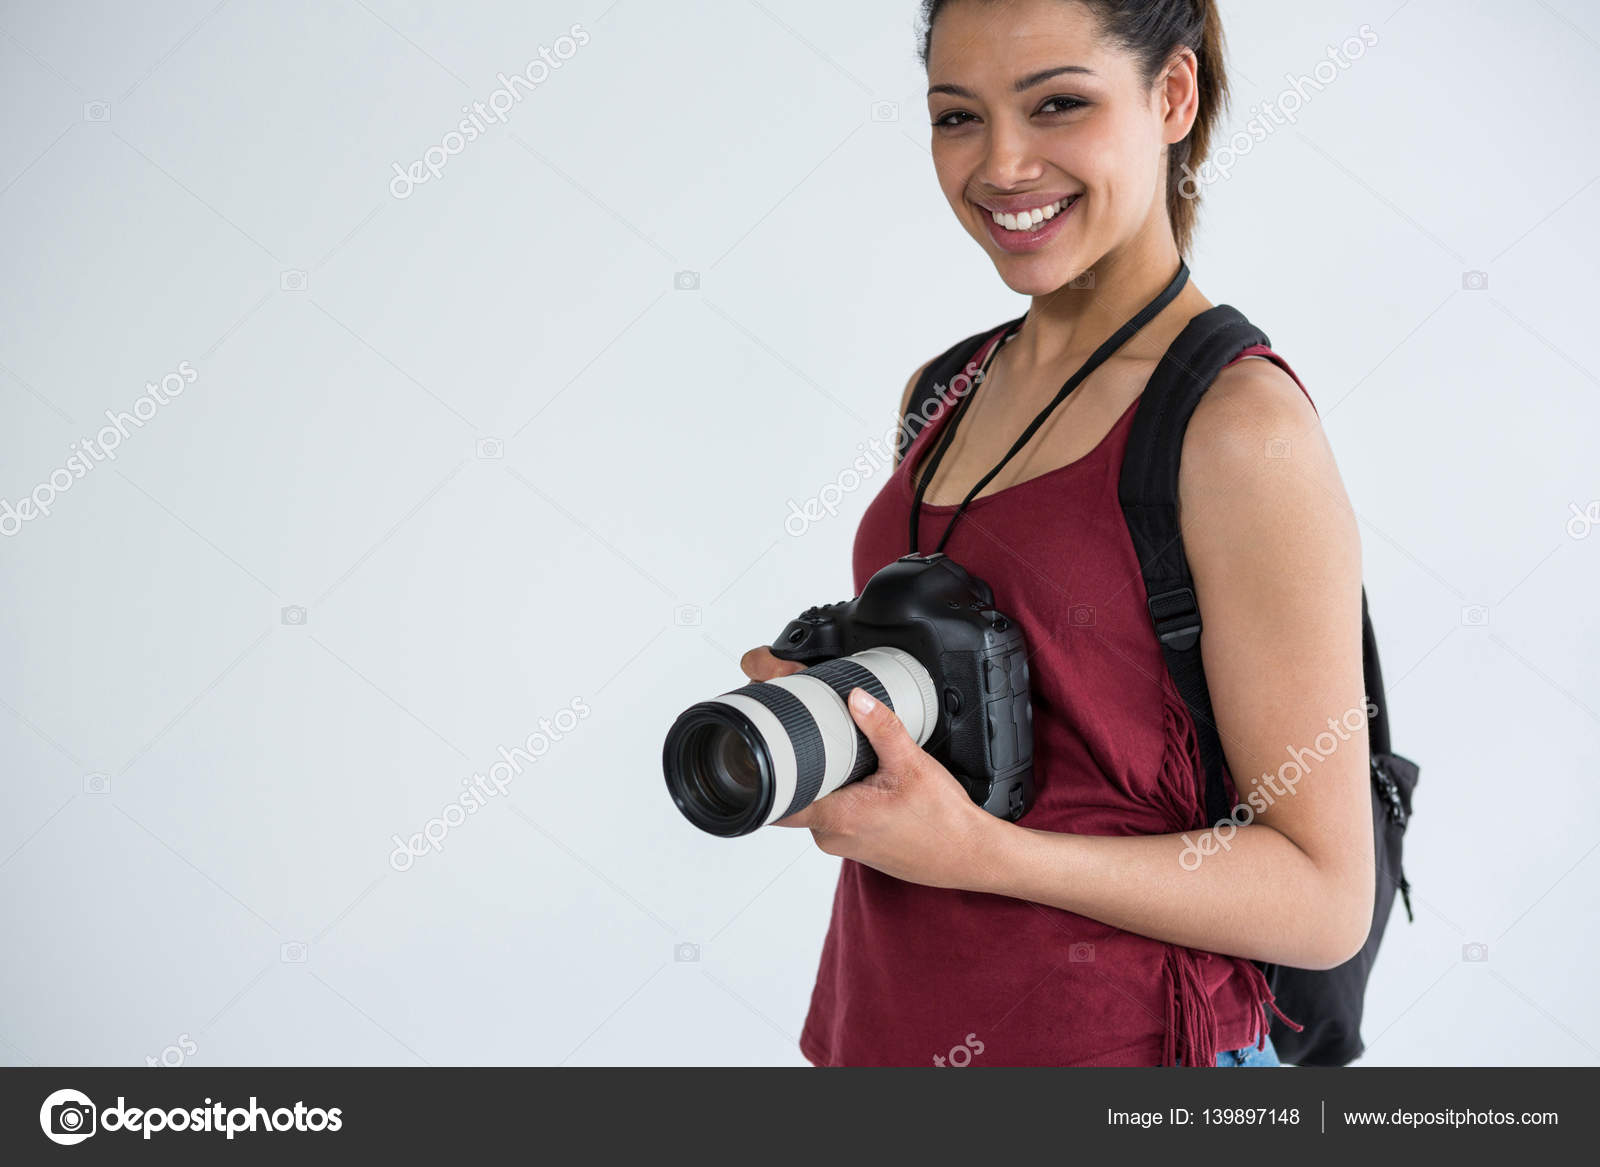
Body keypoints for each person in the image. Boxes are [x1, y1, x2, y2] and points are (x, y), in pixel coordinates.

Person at [740, 0, 1372, 1067]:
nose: (1001, 165)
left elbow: (1323, 898)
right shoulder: (945, 387)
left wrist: (984, 855)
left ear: (1172, 96)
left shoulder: (1236, 428)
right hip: (880, 1031)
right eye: (958, 117)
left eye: (1058, 105)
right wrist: (841, 714)